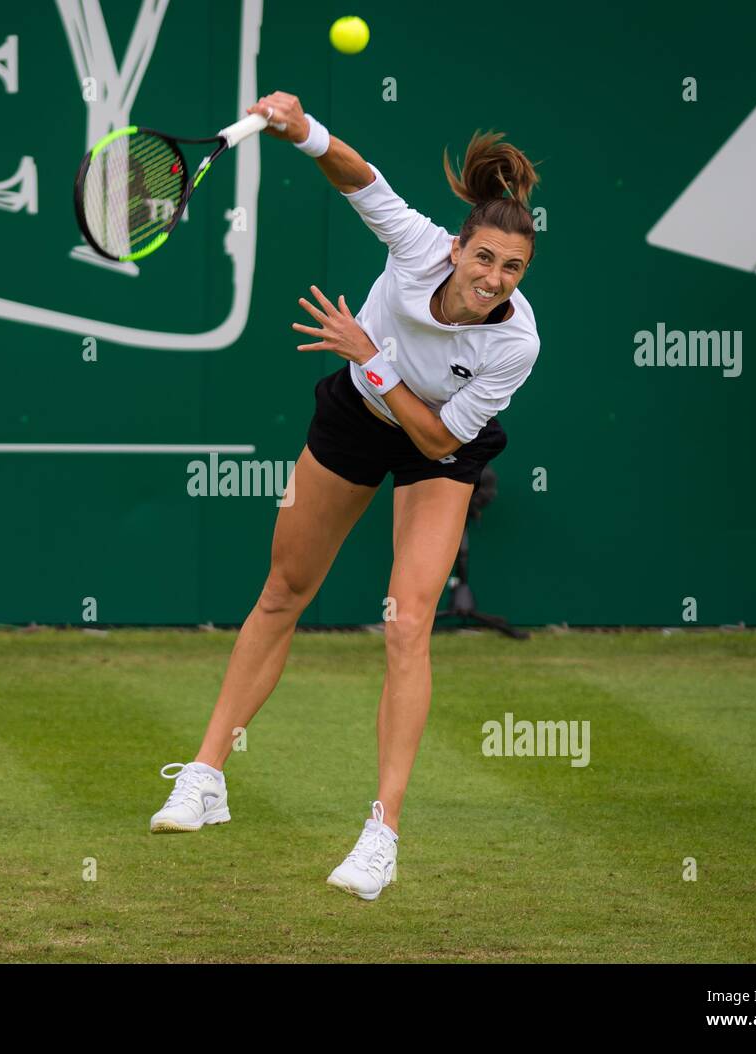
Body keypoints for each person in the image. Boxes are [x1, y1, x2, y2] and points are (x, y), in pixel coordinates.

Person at [150, 91, 542, 902]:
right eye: (484, 260)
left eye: (512, 269)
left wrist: (374, 357)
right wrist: (302, 131)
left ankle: (382, 835)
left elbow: (439, 443)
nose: (493, 279)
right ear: (457, 247)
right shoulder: (416, 247)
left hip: (440, 446)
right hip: (357, 419)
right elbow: (359, 177)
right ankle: (206, 775)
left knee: (407, 622)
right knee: (283, 591)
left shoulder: (515, 341)